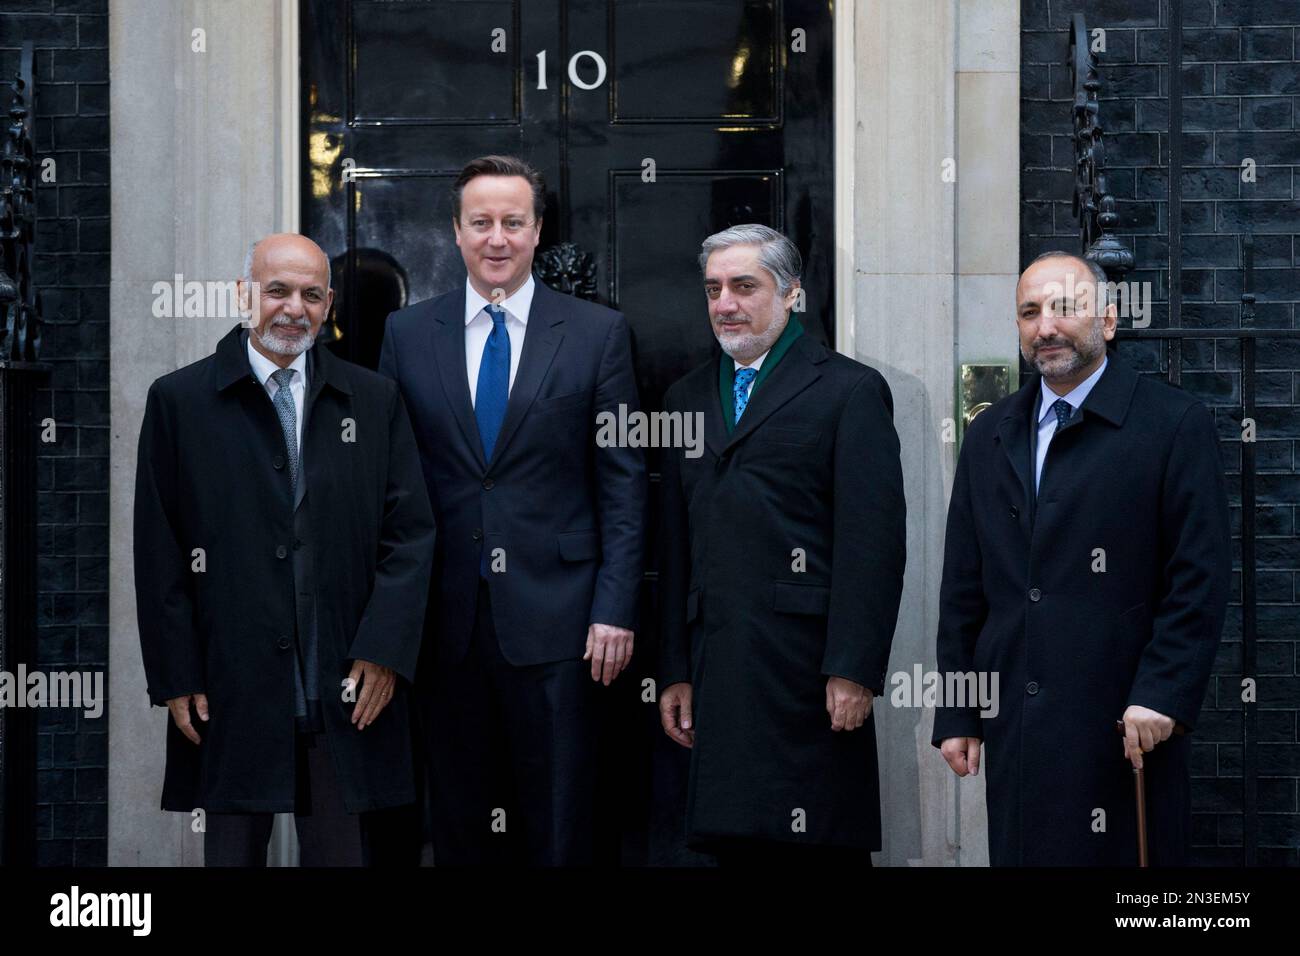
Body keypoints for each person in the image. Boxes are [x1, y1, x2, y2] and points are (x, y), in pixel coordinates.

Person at [133, 233, 436, 865]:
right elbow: (160, 552)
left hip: (344, 684)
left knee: (342, 854)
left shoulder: (374, 401)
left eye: (312, 294)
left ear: (329, 307)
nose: (293, 308)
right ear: (246, 295)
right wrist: (176, 674)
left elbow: (410, 535)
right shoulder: (180, 402)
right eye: (277, 290)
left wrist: (383, 651)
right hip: (230, 682)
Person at [379, 155, 647, 865]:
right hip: (445, 623)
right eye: (481, 223)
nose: (497, 238)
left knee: (561, 822)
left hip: (565, 626)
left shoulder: (597, 334)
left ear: (536, 231)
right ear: (456, 233)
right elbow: (389, 487)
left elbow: (623, 485)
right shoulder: (407, 336)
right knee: (461, 825)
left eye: (513, 222)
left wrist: (614, 608)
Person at [933, 251, 1230, 865]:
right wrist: (958, 707)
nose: (1046, 327)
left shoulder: (1174, 425)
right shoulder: (990, 435)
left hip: (1124, 724)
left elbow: (1197, 579)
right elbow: (964, 582)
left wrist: (1163, 693)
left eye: (1065, 308)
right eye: (1029, 312)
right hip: (1017, 722)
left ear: (1110, 321)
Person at [657, 224, 906, 865]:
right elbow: (675, 544)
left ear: (792, 293)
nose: (725, 304)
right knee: (727, 849)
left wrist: (854, 669)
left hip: (807, 675)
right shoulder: (682, 397)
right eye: (713, 289)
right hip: (717, 670)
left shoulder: (849, 391)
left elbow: (873, 546)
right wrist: (676, 670)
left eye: (745, 286)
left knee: (813, 850)